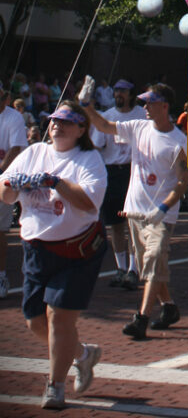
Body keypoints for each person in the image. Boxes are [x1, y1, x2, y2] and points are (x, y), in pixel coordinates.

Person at [0, 101, 107, 409]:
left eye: (66, 120)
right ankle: (84, 355)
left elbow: (89, 204)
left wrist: (55, 181)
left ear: (82, 128)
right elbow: (4, 194)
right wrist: (13, 183)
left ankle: (55, 386)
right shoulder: (33, 153)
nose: (57, 125)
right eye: (54, 120)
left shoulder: (89, 159)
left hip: (77, 250)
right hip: (36, 248)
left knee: (58, 317)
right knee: (35, 322)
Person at [81, 80, 188, 339]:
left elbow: (183, 181)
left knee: (152, 261)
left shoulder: (179, 140)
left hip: (161, 215)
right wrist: (86, 106)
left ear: (164, 106)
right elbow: (105, 126)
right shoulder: (138, 127)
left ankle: (141, 318)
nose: (145, 106)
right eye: (144, 102)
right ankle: (169, 307)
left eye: (150, 102)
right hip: (136, 209)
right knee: (147, 267)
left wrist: (164, 208)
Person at [90, 79, 147, 290]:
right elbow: (96, 146)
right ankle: (120, 268)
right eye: (116, 92)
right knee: (115, 224)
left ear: (131, 94)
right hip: (112, 171)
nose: (118, 95)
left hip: (134, 170)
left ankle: (133, 269)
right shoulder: (107, 117)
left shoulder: (142, 115)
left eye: (123, 91)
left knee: (132, 221)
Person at [0, 86, 29, 298]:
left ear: (6, 98)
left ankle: (1, 276)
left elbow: (15, 149)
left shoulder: (13, 118)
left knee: (0, 231)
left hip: (5, 178)